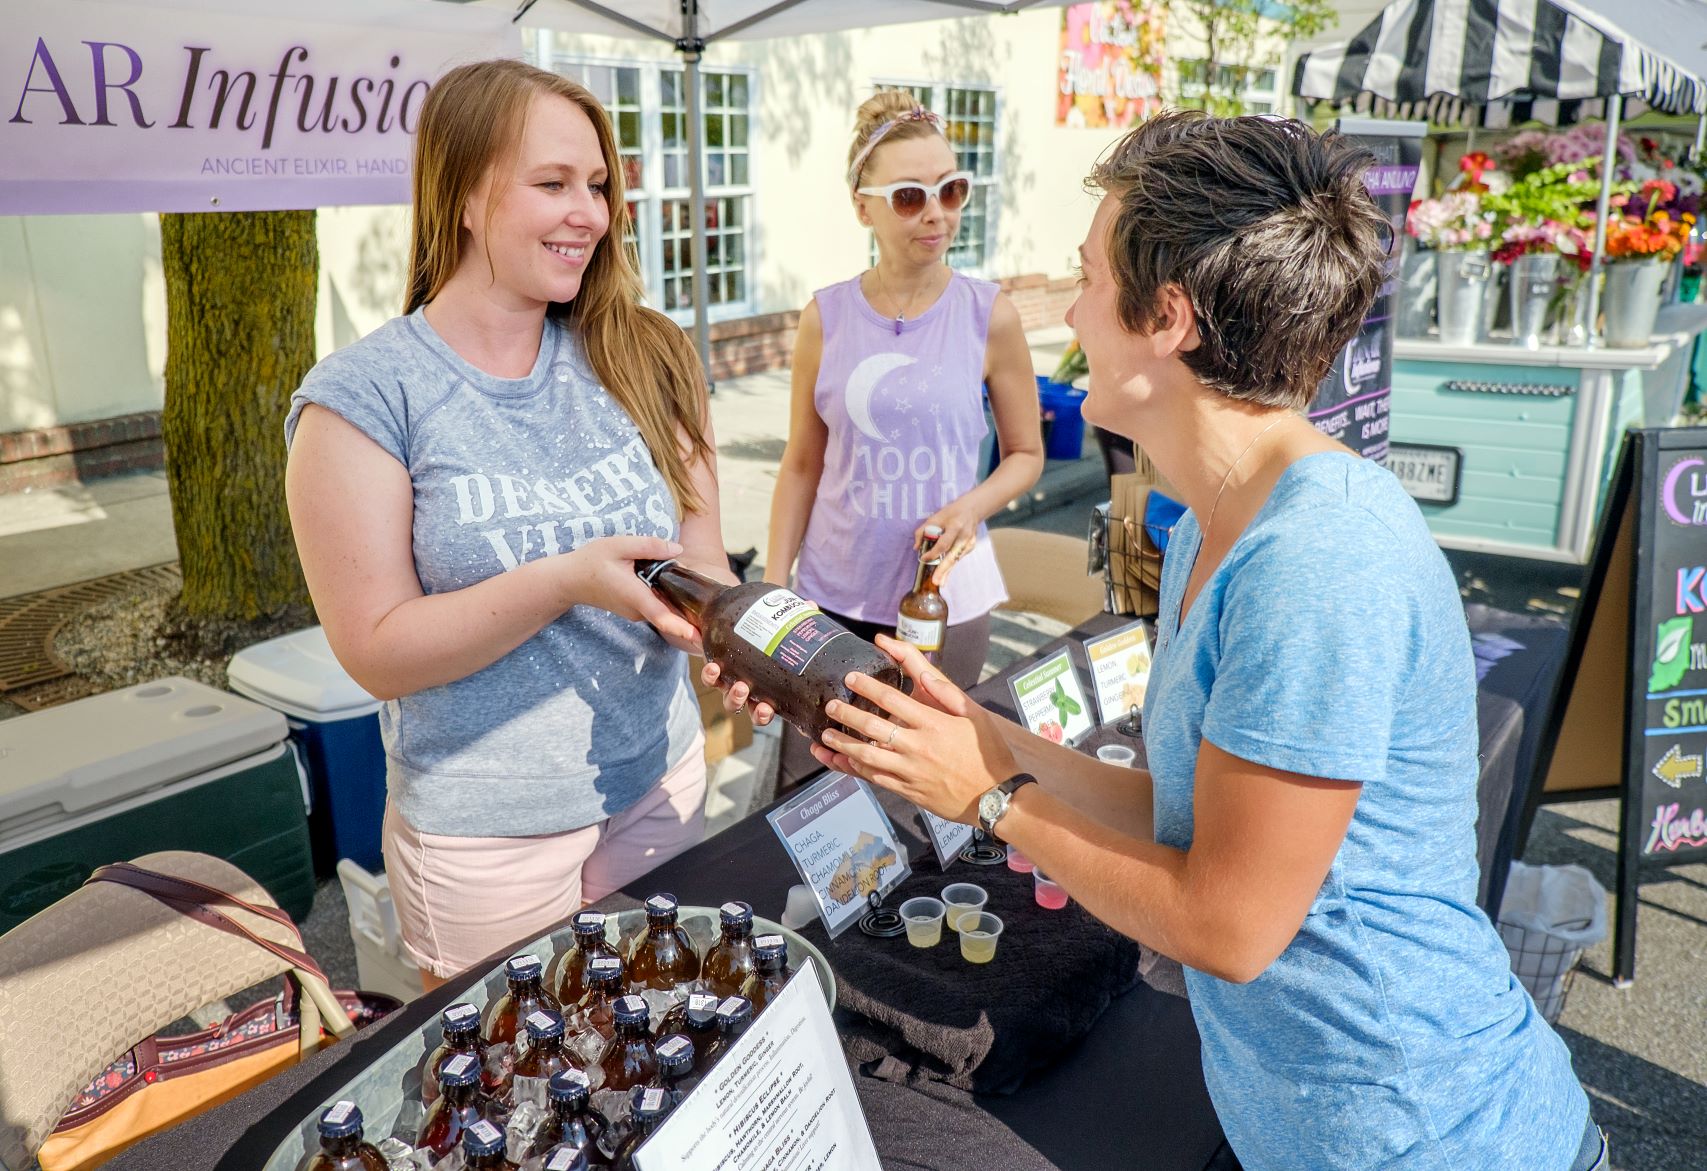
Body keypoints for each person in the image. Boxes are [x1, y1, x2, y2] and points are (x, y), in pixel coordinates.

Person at [809, 111, 1603, 1171]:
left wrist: (990, 799)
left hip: (1423, 1136)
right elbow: (1190, 816)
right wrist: (982, 741)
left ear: (1169, 318)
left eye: (1089, 275)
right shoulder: (1212, 519)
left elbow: (1228, 922)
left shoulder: (1316, 557)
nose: (1075, 308)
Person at [284, 60, 732, 990]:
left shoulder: (646, 352)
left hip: (661, 780)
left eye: (599, 185)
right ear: (463, 195)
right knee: (525, 1106)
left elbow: (703, 562)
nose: (590, 213)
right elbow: (376, 649)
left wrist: (754, 647)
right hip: (485, 842)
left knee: (662, 1049)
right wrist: (565, 578)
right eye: (553, 183)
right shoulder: (366, 399)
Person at [754, 89, 1043, 791]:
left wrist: (971, 507)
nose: (937, 212)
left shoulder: (990, 314)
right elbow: (800, 464)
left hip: (945, 599)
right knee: (817, 787)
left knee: (925, 790)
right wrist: (772, 588)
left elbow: (1025, 454)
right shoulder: (823, 315)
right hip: (832, 593)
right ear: (864, 207)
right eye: (910, 197)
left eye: (951, 189)